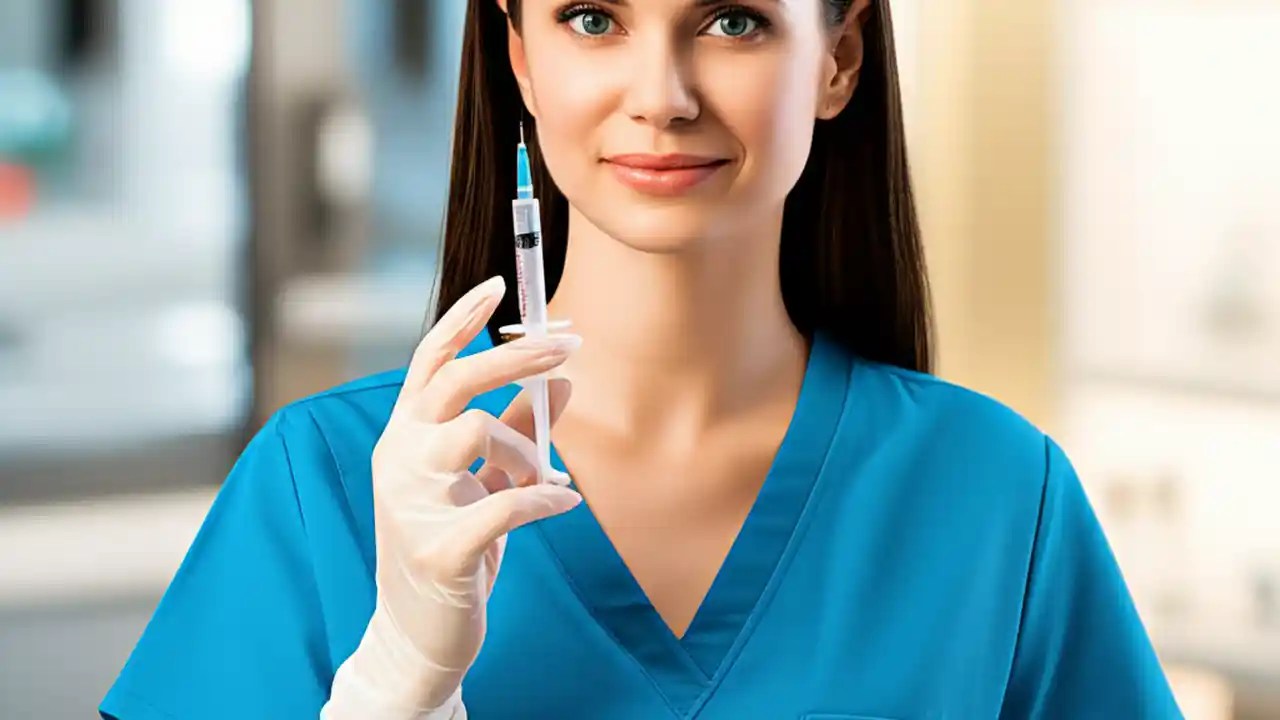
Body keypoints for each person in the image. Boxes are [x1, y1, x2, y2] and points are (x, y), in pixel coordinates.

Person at [101, 0, 1184, 718]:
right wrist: (394, 682)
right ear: (519, 54)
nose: (660, 95)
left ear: (837, 60)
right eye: (591, 18)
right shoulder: (324, 482)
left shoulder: (995, 495)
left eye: (729, 20)